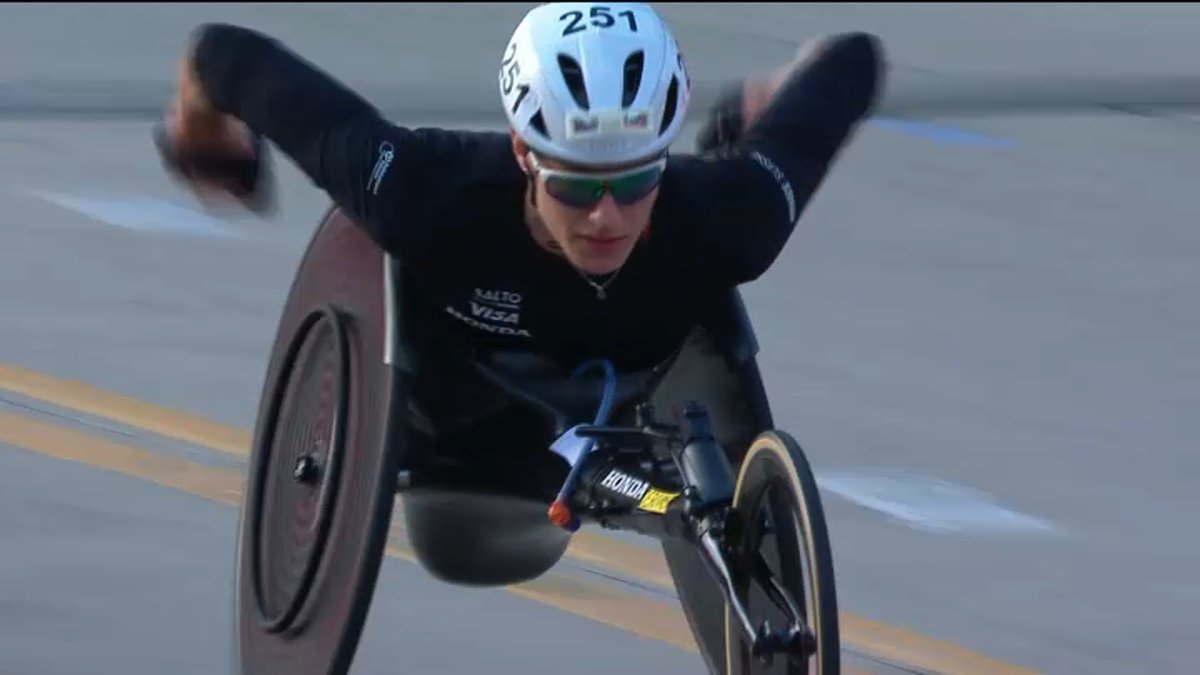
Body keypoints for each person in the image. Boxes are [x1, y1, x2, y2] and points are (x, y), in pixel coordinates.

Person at [156, 3, 886, 497]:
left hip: (630, 415)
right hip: (454, 418)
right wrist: (202, 135)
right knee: (471, 543)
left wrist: (780, 89)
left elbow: (851, 60)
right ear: (524, 153)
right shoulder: (422, 191)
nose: (606, 216)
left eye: (635, 182)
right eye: (575, 187)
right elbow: (220, 55)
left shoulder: (734, 214)